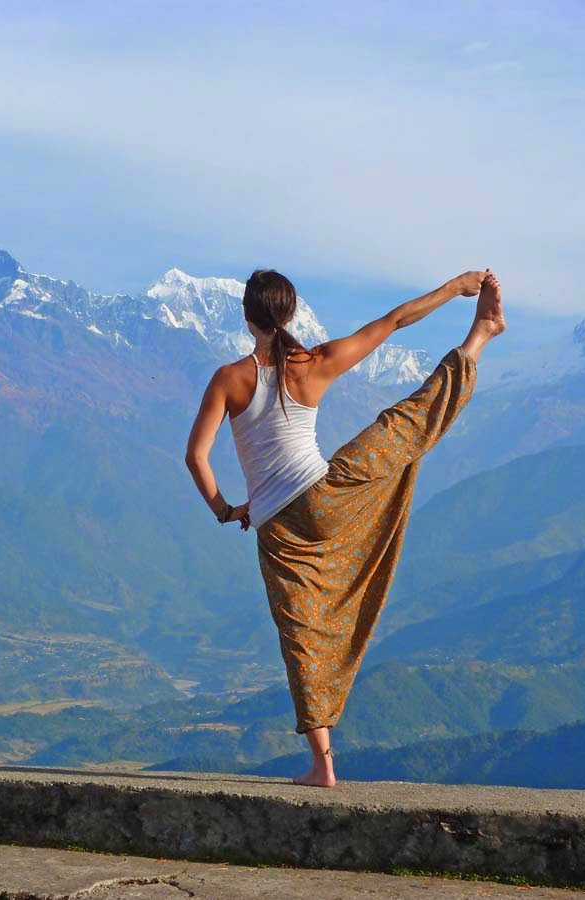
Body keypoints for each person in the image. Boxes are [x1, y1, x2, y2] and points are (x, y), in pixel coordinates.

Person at [184, 267, 505, 787]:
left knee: (302, 636)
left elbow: (196, 457)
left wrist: (227, 510)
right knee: (405, 426)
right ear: (289, 314)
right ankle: (481, 335)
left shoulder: (229, 379)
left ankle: (323, 765)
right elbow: (393, 321)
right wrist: (454, 288)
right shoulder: (315, 363)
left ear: (247, 317)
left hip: (279, 528)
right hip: (332, 495)